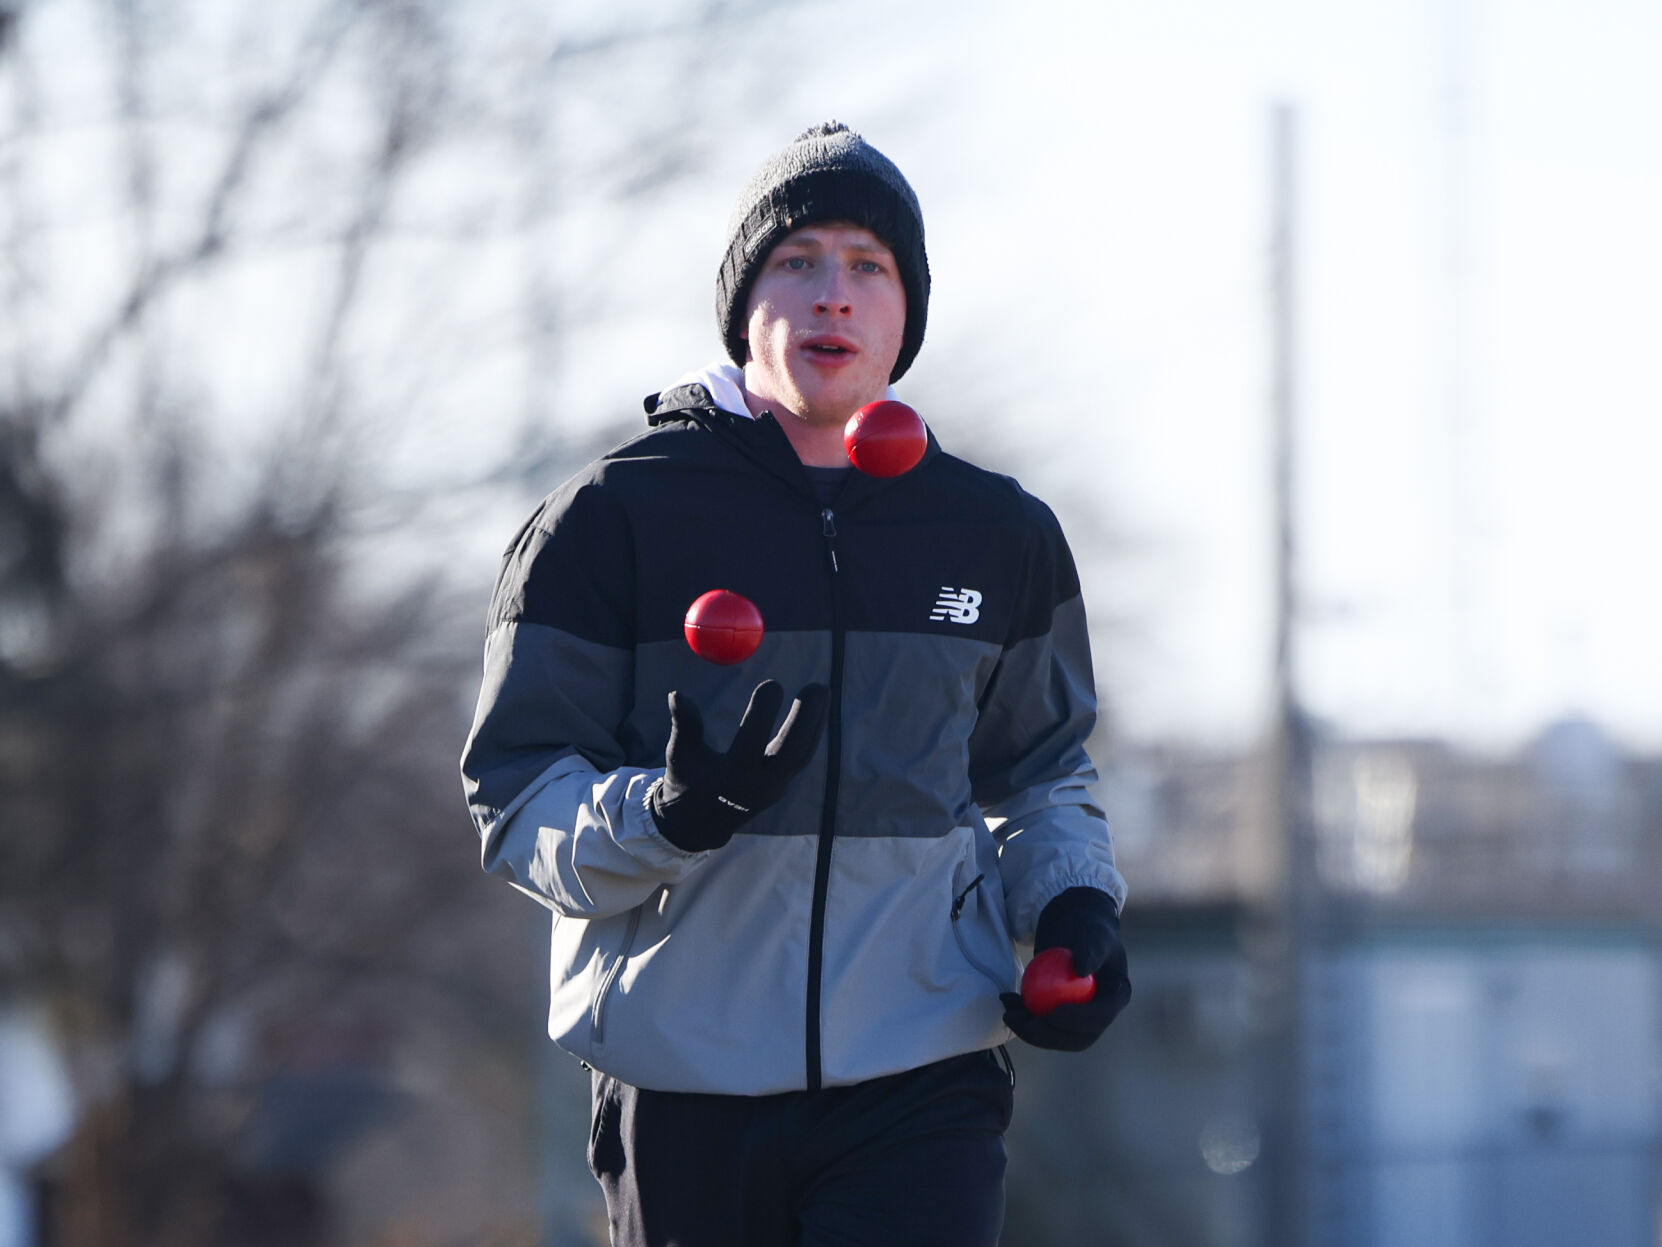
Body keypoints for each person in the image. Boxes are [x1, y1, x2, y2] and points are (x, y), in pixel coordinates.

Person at [461, 121, 1131, 1247]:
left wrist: (1072, 907)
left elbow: (1040, 772)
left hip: (923, 1073)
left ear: (906, 310)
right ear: (742, 302)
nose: (835, 296)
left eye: (870, 267)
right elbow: (518, 797)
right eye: (800, 259)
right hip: (683, 1086)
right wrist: (664, 817)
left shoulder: (996, 533)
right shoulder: (610, 519)